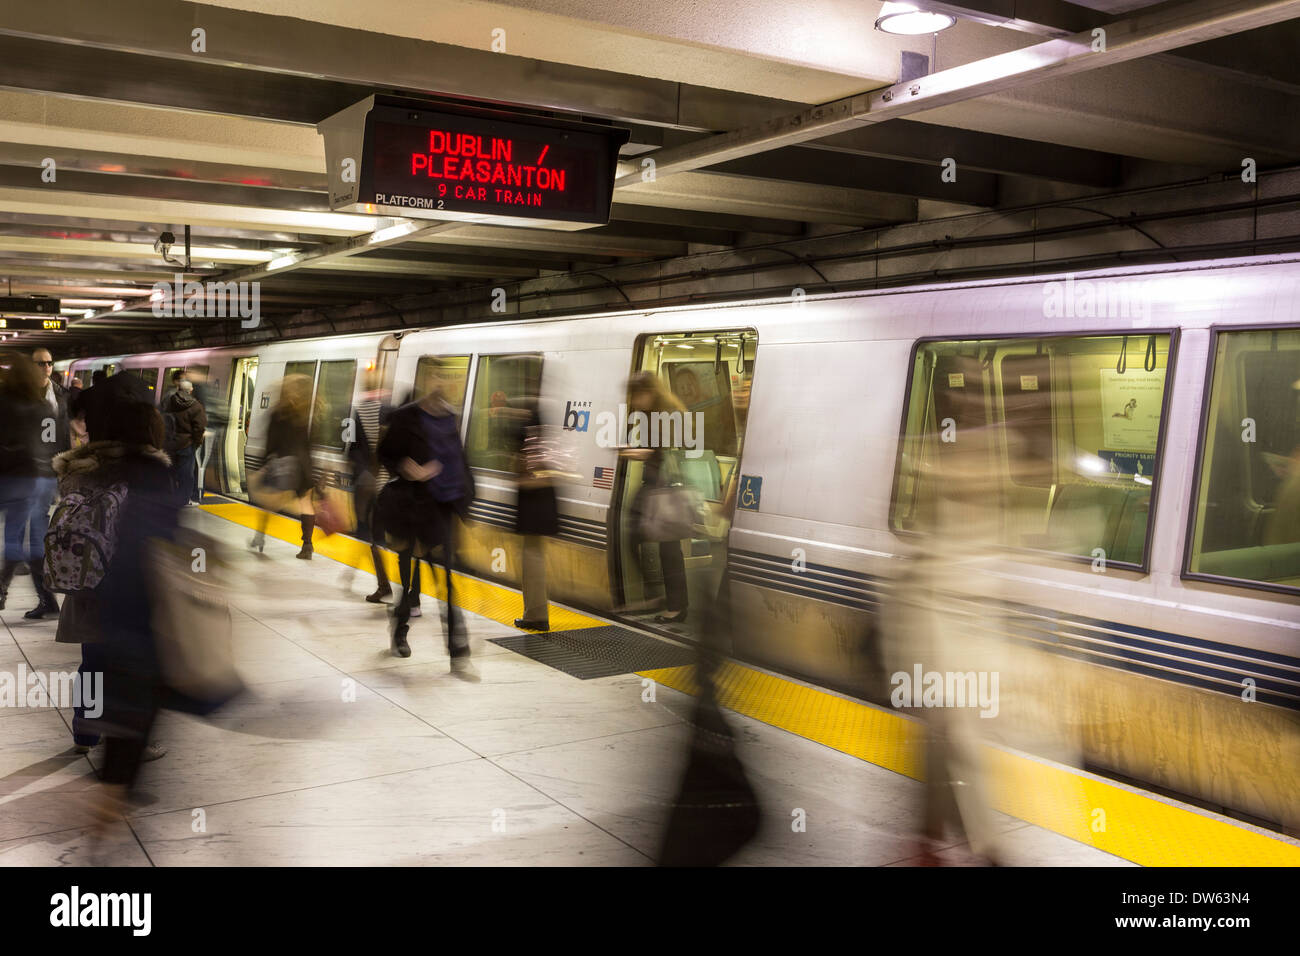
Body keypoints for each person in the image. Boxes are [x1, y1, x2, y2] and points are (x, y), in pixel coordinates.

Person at [377, 362, 475, 675]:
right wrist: (406, 467)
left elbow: (459, 462)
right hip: (408, 508)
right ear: (425, 381)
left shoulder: (450, 418)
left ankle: (458, 652)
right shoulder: (406, 416)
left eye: (449, 376)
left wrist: (465, 508)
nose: (443, 383)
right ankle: (400, 629)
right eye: (437, 376)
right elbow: (386, 454)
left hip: (439, 510)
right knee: (408, 582)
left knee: (446, 581)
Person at [622, 371, 690, 625]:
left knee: (661, 546)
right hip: (660, 487)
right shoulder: (665, 410)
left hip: (661, 488)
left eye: (636, 396)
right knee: (666, 548)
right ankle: (669, 600)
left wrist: (627, 452)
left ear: (648, 392)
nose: (635, 401)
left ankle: (667, 601)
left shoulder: (661, 415)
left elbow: (656, 452)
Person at [25, 347, 71, 619]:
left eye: (49, 363)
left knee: (57, 536)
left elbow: (65, 433)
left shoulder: (63, 394)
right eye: (40, 363)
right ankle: (46, 598)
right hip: (33, 474)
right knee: (36, 537)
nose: (45, 367)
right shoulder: (19, 397)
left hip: (59, 469)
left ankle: (57, 594)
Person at [250, 374, 316, 558]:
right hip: (303, 465)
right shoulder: (305, 411)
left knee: (268, 502)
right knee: (306, 504)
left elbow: (271, 442)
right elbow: (309, 442)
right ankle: (307, 545)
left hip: (283, 464)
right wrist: (310, 469)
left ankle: (260, 537)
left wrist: (263, 464)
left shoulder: (277, 413)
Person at [0, 352, 45, 610]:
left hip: (3, 474)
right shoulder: (40, 405)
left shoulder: (2, 401)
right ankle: (1, 587)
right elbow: (47, 441)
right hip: (28, 477)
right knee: (13, 536)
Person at [510, 393, 557, 632]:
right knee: (534, 560)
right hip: (542, 508)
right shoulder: (546, 440)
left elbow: (531, 476)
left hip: (533, 510)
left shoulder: (531, 443)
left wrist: (520, 476)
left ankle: (536, 616)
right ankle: (535, 614)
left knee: (532, 563)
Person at [162, 379, 207, 505]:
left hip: (170, 443)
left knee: (170, 472)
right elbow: (199, 428)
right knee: (186, 475)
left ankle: (169, 496)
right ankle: (183, 500)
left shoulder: (168, 402)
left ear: (178, 389)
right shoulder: (196, 406)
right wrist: (196, 442)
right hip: (186, 444)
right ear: (190, 390)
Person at [71, 369, 112, 443]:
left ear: (93, 380)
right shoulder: (112, 394)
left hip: (91, 427)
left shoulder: (86, 393)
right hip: (106, 428)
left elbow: (76, 409)